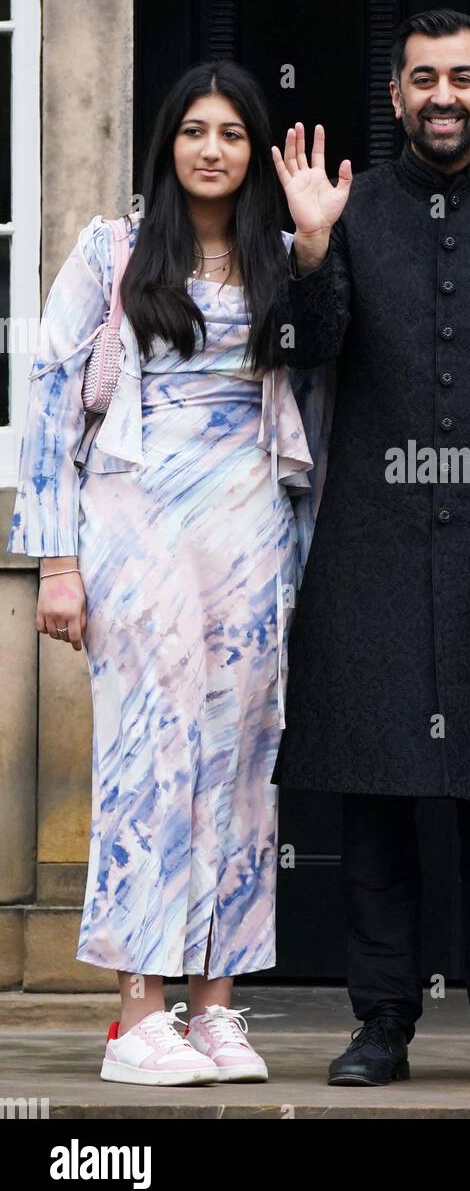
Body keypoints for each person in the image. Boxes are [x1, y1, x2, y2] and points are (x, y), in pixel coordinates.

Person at [270, 9, 470, 1087]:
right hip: (370, 549)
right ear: (396, 96)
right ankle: (381, 1025)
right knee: (376, 804)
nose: (440, 95)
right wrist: (311, 245)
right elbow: (300, 352)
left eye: (460, 77)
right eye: (421, 79)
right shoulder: (348, 217)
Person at [7, 61, 319, 1086]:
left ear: (253, 149)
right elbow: (52, 405)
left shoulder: (281, 256)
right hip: (135, 519)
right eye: (194, 130)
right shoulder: (111, 251)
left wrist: (317, 249)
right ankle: (136, 1012)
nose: (212, 149)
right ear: (167, 144)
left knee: (240, 761)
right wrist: (56, 558)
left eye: (232, 132)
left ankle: (216, 1007)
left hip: (253, 525)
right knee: (148, 756)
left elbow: (329, 374)